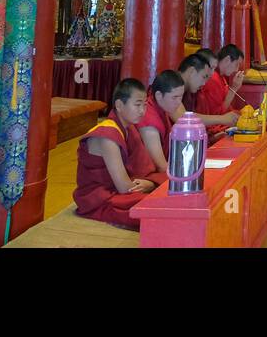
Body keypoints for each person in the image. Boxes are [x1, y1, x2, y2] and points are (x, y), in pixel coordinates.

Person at [73, 78, 167, 229]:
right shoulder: (107, 135)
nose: (142, 111)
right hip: (100, 199)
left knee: (165, 199)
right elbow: (125, 188)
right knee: (158, 211)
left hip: (119, 191)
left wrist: (150, 183)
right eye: (137, 105)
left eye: (144, 105)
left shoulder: (129, 128)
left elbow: (143, 168)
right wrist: (149, 186)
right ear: (119, 105)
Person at [138, 69, 186, 173]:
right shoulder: (149, 121)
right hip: (147, 176)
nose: (179, 103)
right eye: (175, 97)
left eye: (181, 97)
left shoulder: (162, 107)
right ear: (159, 96)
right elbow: (161, 166)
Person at [174, 53, 239, 129]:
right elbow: (182, 118)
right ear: (192, 71)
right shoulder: (172, 83)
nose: (204, 83)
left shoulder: (187, 91)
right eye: (203, 77)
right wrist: (221, 119)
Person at [198, 44, 245, 117]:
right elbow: (218, 114)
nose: (236, 69)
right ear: (227, 60)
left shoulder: (221, 77)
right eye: (236, 64)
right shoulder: (213, 78)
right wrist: (234, 88)